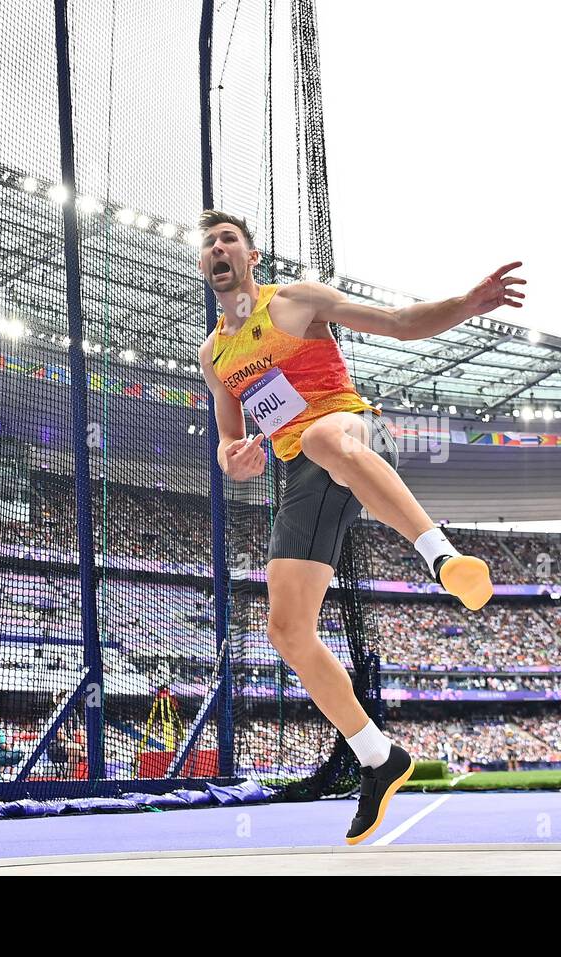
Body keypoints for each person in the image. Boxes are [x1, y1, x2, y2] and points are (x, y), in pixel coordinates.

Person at [196, 210, 525, 844]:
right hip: (301, 475)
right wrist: (234, 460)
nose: (217, 247)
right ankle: (378, 757)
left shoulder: (294, 302)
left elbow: (399, 325)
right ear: (204, 264)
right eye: (208, 242)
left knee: (322, 435)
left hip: (353, 434)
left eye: (228, 238)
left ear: (251, 256)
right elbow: (230, 440)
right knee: (288, 631)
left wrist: (469, 302)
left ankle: (442, 557)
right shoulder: (215, 355)